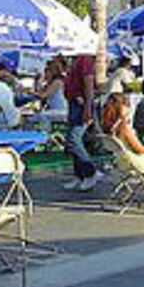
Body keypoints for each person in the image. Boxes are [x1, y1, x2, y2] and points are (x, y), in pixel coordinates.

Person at [62, 53, 101, 192]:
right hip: (75, 103)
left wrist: (87, 108)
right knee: (72, 140)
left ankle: (90, 172)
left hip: (81, 104)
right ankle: (80, 175)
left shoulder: (85, 59)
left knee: (73, 139)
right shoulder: (75, 60)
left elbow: (89, 84)